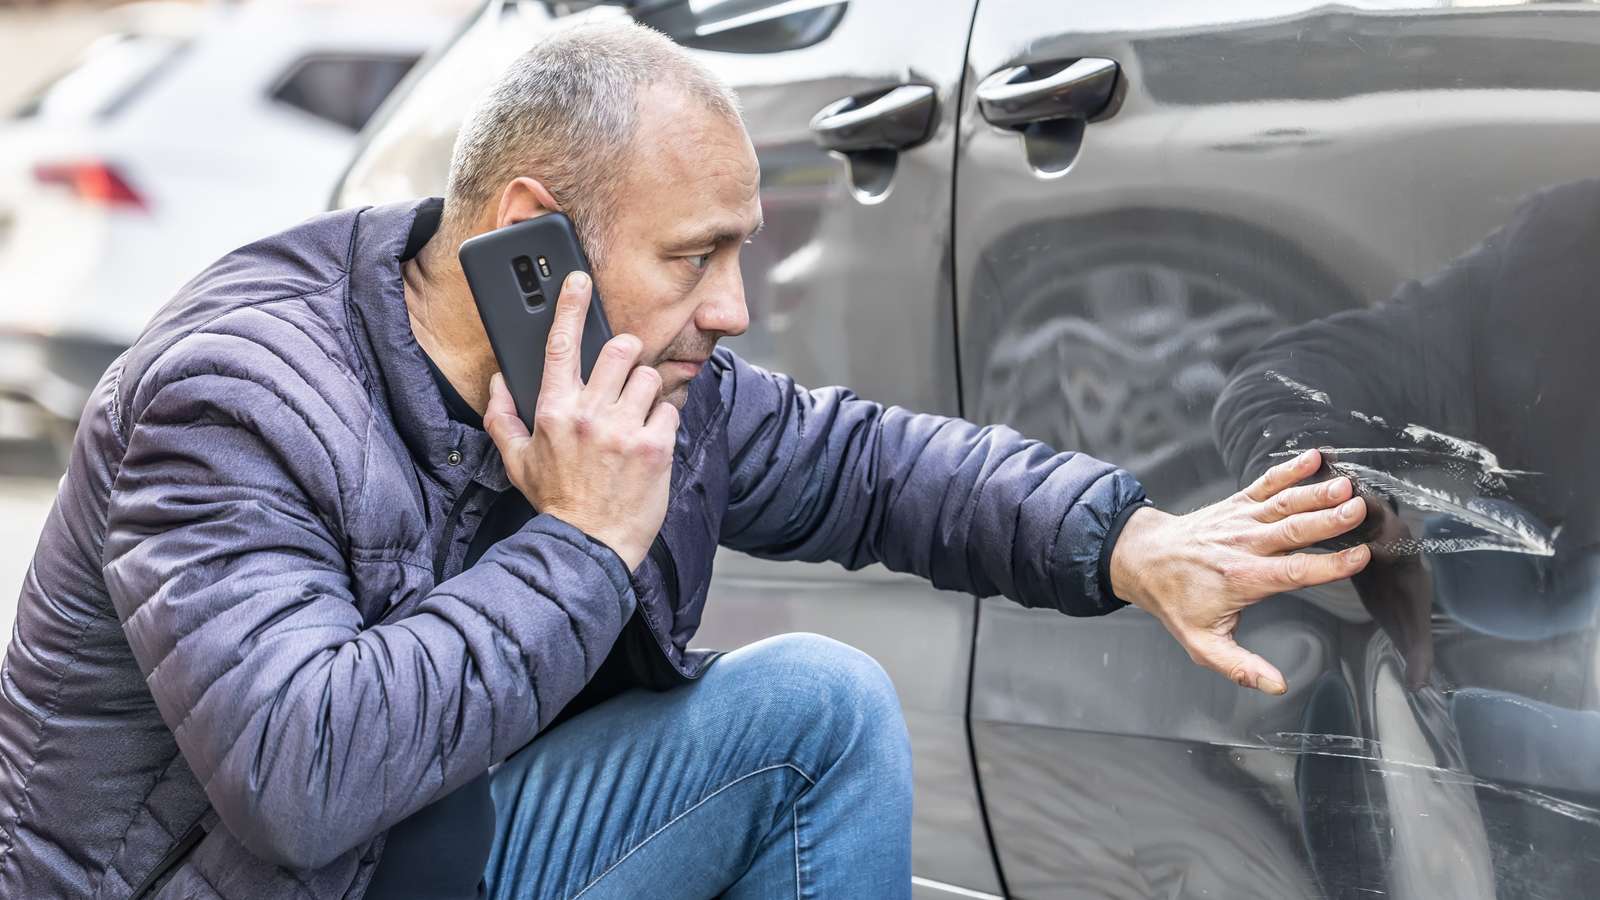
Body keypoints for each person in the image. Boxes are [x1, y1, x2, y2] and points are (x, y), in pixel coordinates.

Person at [0, 22, 1370, 900]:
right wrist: (582, 543)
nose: (731, 306)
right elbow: (302, 783)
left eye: (741, 250)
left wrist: (1125, 543)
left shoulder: (628, 367)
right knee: (810, 709)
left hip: (422, 848)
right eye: (694, 255)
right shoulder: (235, 396)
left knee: (808, 712)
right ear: (532, 232)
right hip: (265, 876)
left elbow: (871, 468)